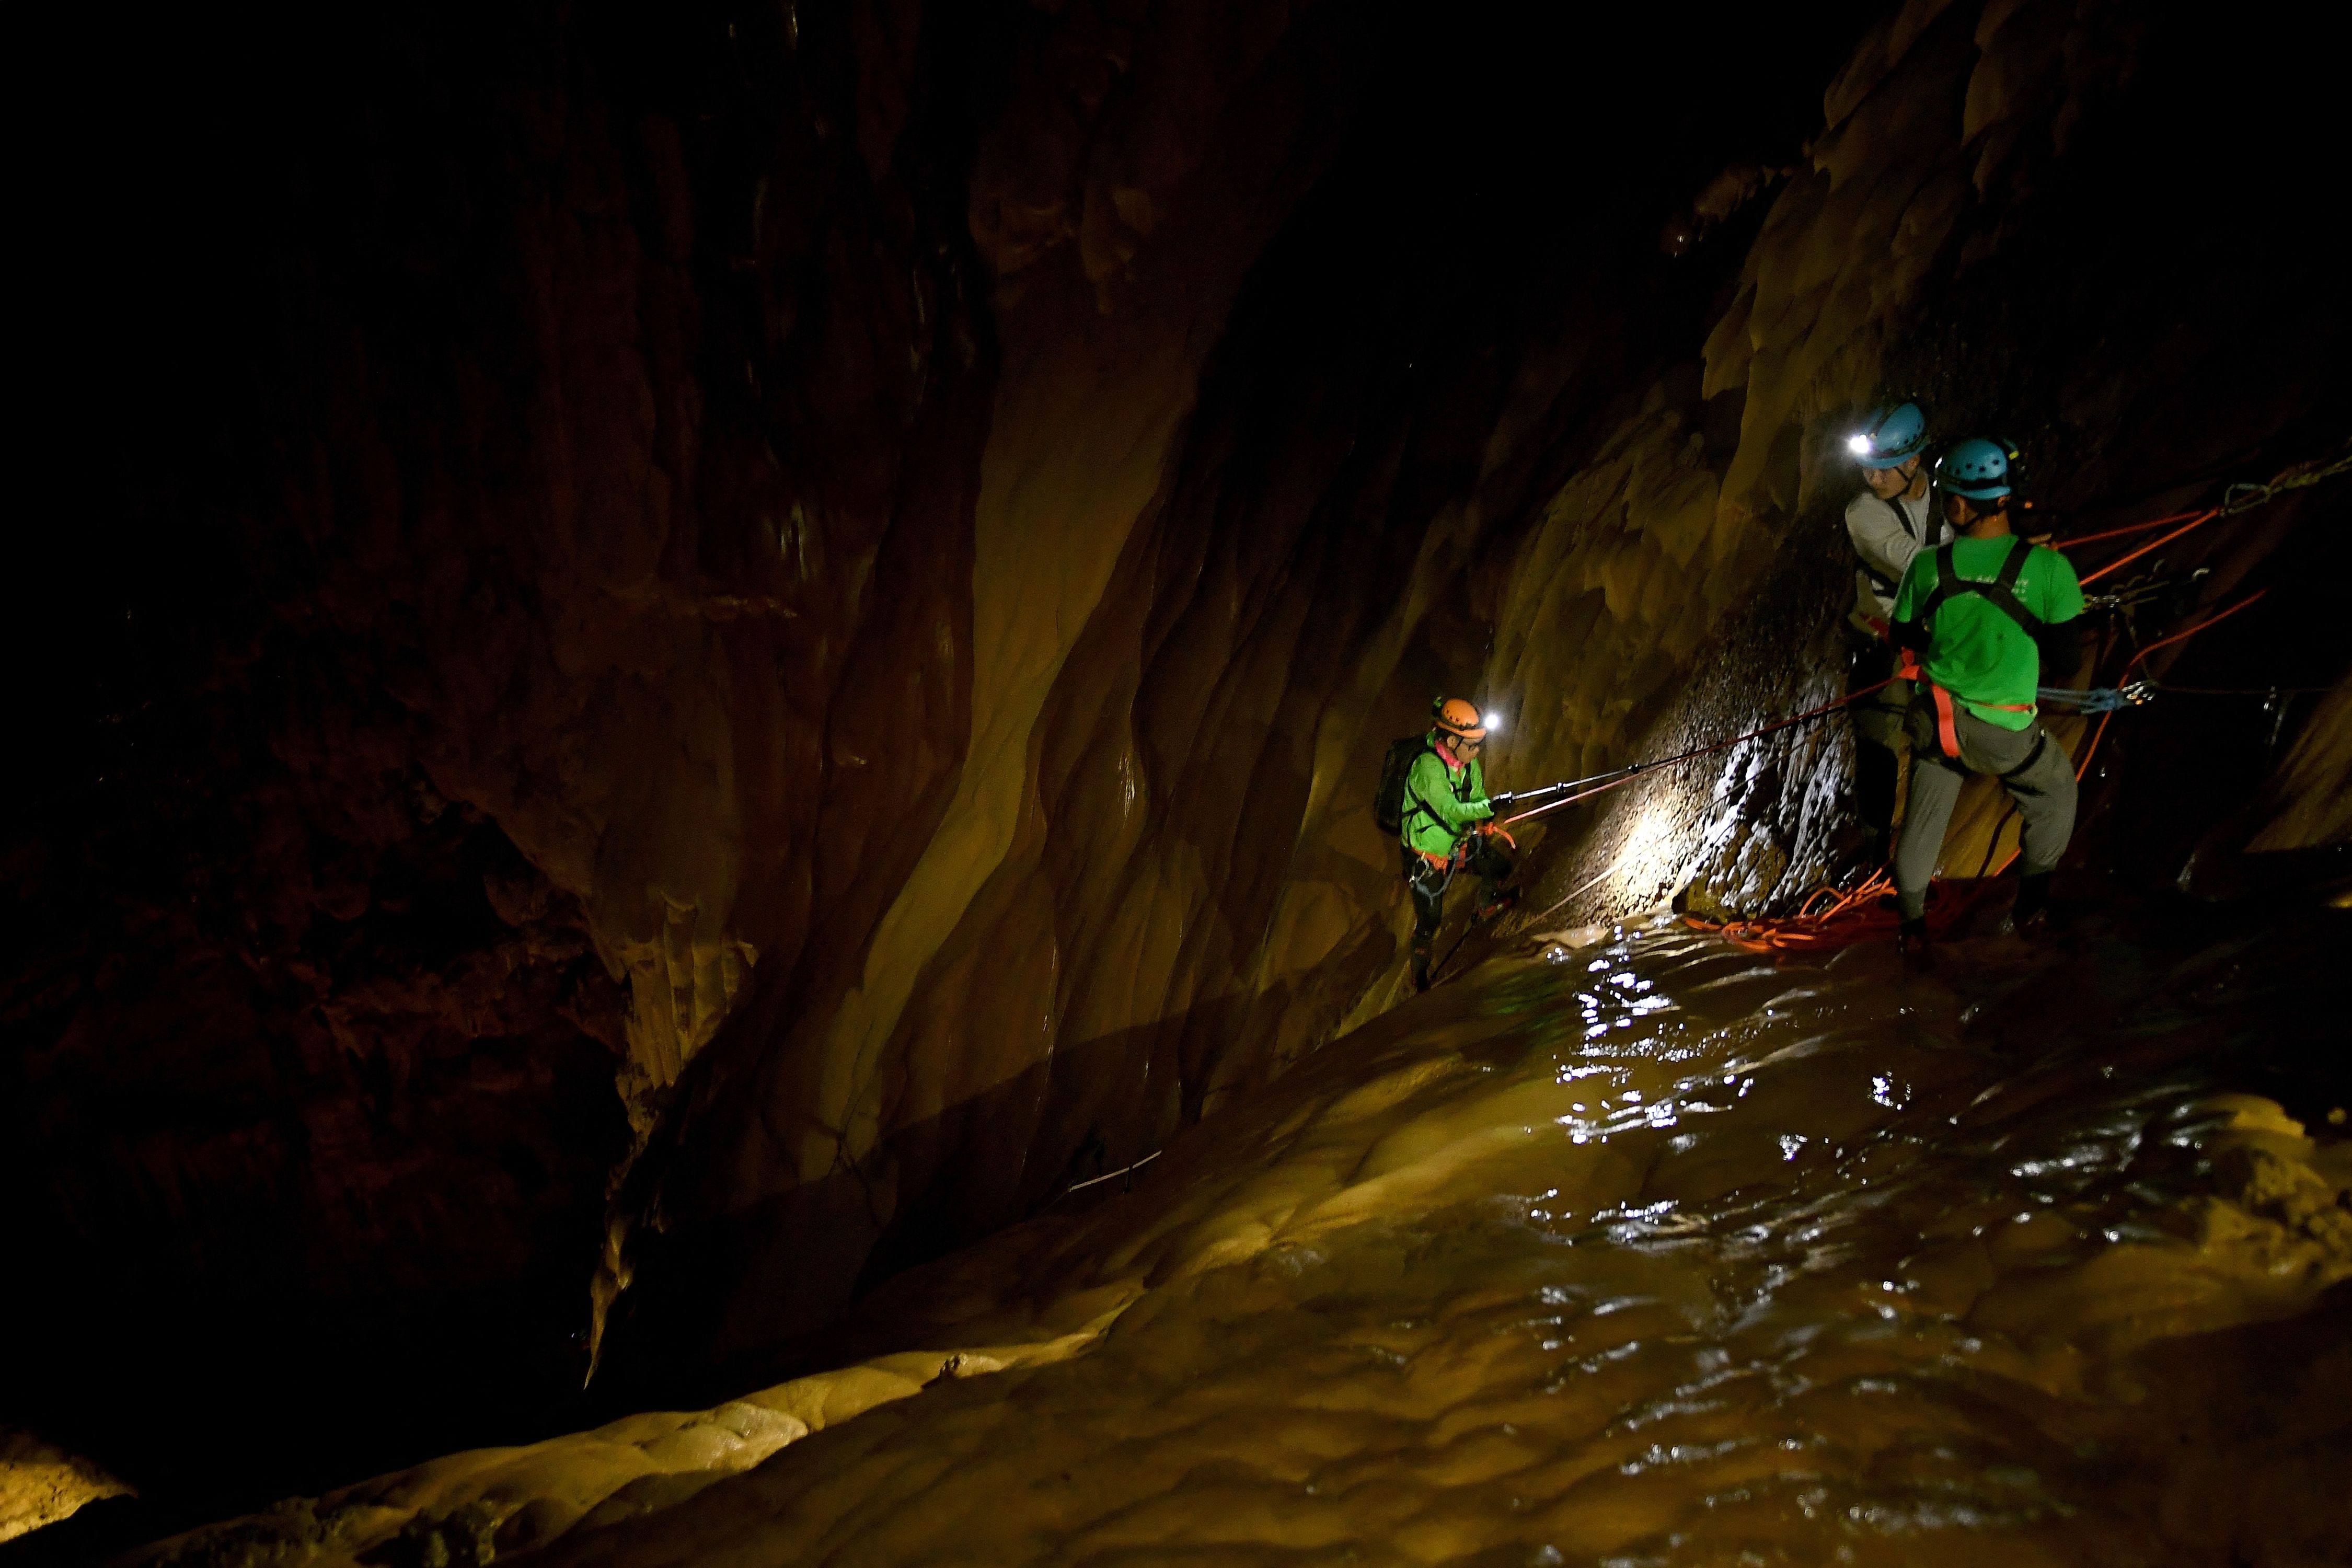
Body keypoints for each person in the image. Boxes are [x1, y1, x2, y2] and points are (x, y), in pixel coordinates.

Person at [1888, 438, 2085, 960]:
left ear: (1958, 506)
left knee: (1923, 821)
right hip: (2002, 732)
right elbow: (2067, 660)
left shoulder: (1928, 566)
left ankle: (1911, 931)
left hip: (1936, 717)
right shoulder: (2049, 571)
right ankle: (2032, 908)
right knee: (2055, 796)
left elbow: (1903, 634)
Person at [1842, 402, 1953, 864]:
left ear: (1913, 462)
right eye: (1867, 469)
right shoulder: (1863, 514)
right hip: (1882, 638)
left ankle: (1925, 852)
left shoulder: (1950, 496)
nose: (1873, 479)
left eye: (1883, 470)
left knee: (1936, 735)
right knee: (1878, 750)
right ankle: (1873, 856)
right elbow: (1915, 564)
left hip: (1935, 633)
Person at [1400, 698, 1519, 990]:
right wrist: (1487, 808)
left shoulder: (1469, 765)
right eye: (1473, 745)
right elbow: (1451, 810)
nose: (1477, 751)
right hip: (1426, 857)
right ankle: (1419, 979)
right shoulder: (1427, 767)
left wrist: (1485, 817)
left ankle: (1486, 905)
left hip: (1457, 846)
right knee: (1430, 921)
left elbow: (1477, 796)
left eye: (1479, 744)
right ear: (1452, 740)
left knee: (1500, 867)